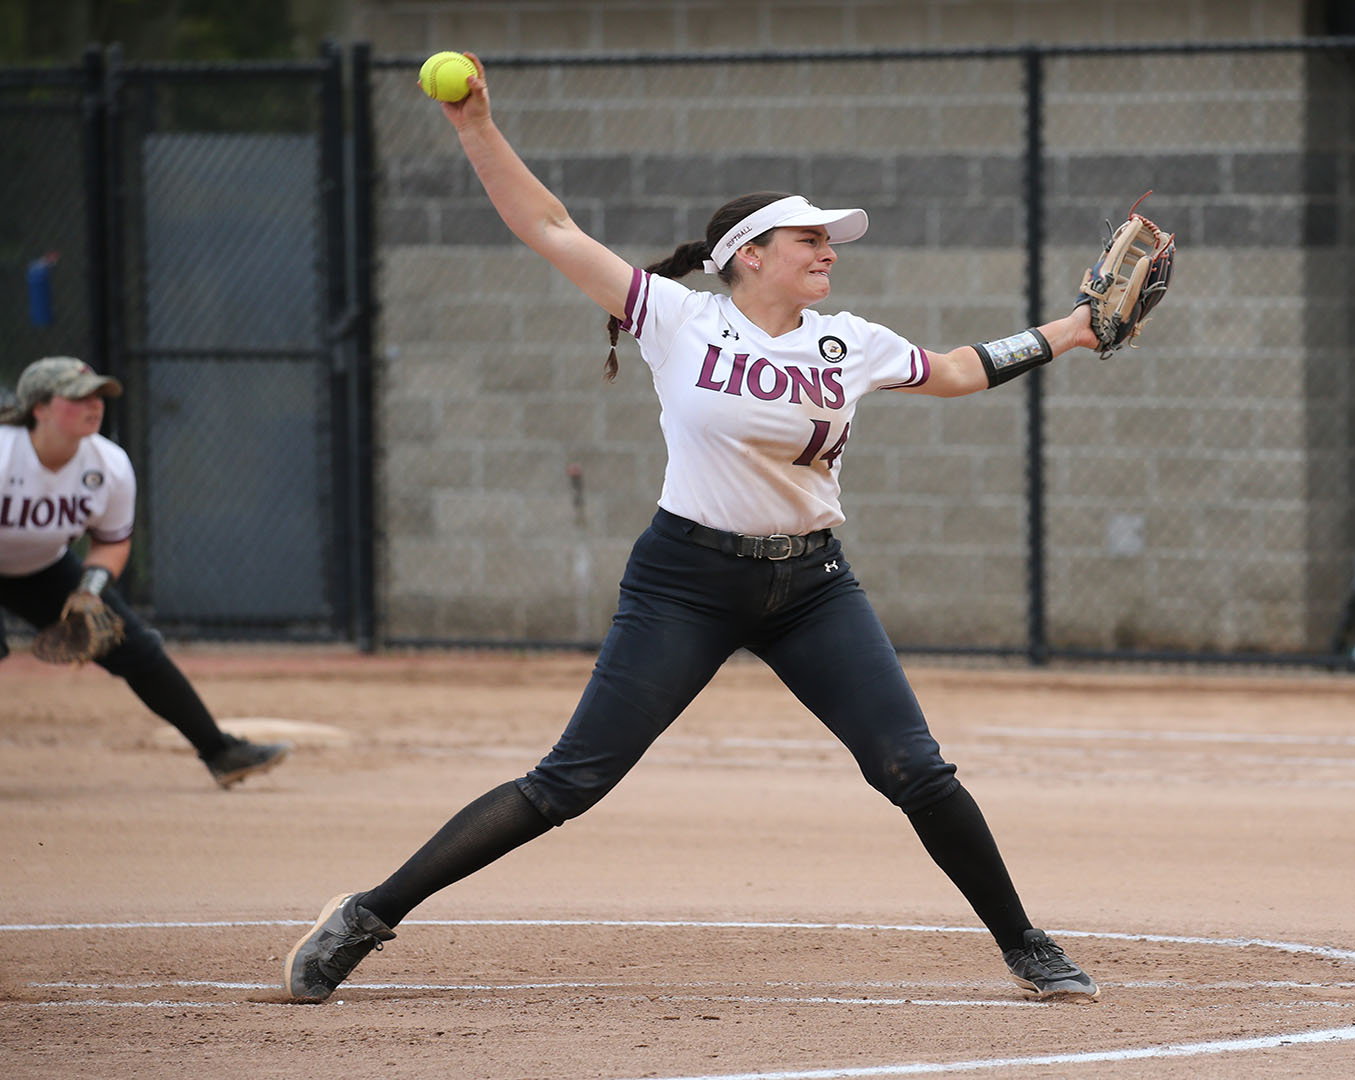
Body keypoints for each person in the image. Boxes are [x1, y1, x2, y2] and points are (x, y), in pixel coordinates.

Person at [284, 54, 1104, 1004]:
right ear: (750, 254)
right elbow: (550, 227)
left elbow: (958, 370)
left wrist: (1072, 329)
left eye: (828, 239)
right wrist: (475, 126)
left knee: (913, 769)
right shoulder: (678, 319)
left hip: (813, 589)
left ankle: (1024, 943)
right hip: (686, 582)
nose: (828, 251)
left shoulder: (850, 340)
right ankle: (367, 915)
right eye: (809, 238)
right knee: (569, 783)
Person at [0, 356, 292, 786]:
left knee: (136, 649)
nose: (94, 404)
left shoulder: (109, 464)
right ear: (39, 408)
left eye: (98, 395)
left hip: (42, 565)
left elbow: (112, 541)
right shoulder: (5, 454)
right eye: (77, 396)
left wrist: (90, 590)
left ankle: (221, 752)